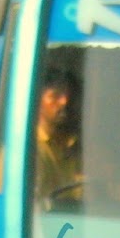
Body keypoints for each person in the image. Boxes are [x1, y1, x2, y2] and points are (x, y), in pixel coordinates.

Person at [34, 68, 81, 207]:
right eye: (55, 96)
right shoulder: (27, 151)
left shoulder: (79, 146)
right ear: (37, 101)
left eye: (69, 96)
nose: (64, 102)